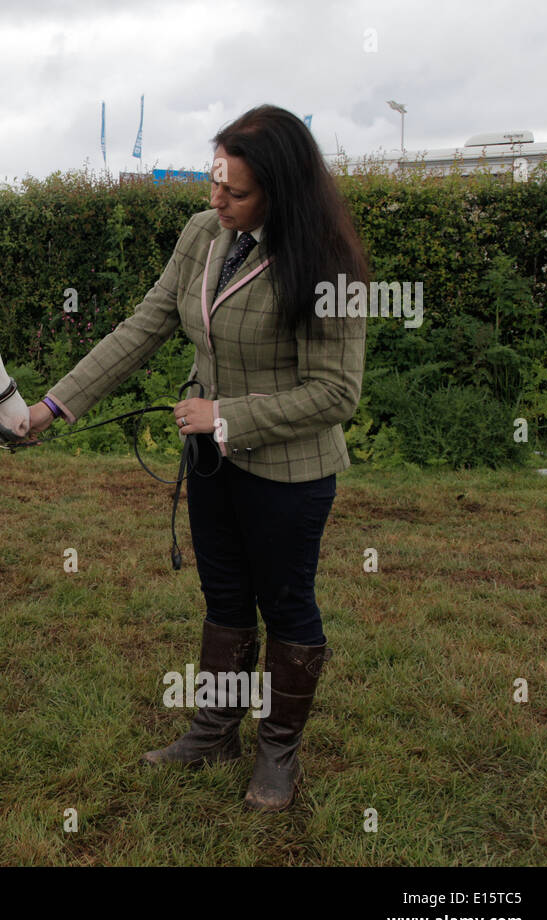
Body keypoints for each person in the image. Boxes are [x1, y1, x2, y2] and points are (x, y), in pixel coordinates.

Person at [29, 105, 368, 811]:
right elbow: (146, 324)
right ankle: (215, 728)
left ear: (283, 190)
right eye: (215, 182)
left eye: (235, 192)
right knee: (223, 598)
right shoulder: (202, 235)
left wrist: (227, 416)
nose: (216, 201)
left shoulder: (328, 263)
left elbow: (337, 392)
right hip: (211, 462)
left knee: (286, 603)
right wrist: (55, 405)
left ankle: (278, 753)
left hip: (290, 474)